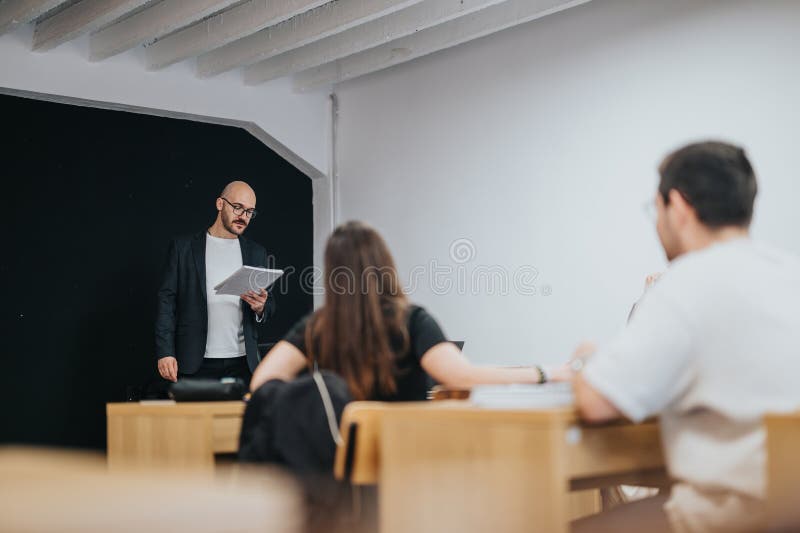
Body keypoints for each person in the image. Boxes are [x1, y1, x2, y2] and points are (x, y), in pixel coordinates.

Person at [571, 141, 800, 533]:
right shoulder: (790, 272)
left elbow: (596, 403)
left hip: (735, 516)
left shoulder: (686, 280)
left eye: (654, 210)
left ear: (677, 207)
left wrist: (585, 359)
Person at [250, 220, 569, 400]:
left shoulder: (318, 326)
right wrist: (547, 373)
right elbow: (462, 377)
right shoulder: (412, 320)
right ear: (384, 263)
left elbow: (262, 382)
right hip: (405, 459)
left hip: (340, 464)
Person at [155, 180, 276, 383]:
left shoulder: (256, 252)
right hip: (194, 362)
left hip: (243, 363)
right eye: (238, 207)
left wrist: (261, 307)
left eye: (249, 212)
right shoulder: (182, 249)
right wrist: (165, 352)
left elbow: (269, 304)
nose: (243, 217)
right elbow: (166, 303)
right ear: (220, 204)